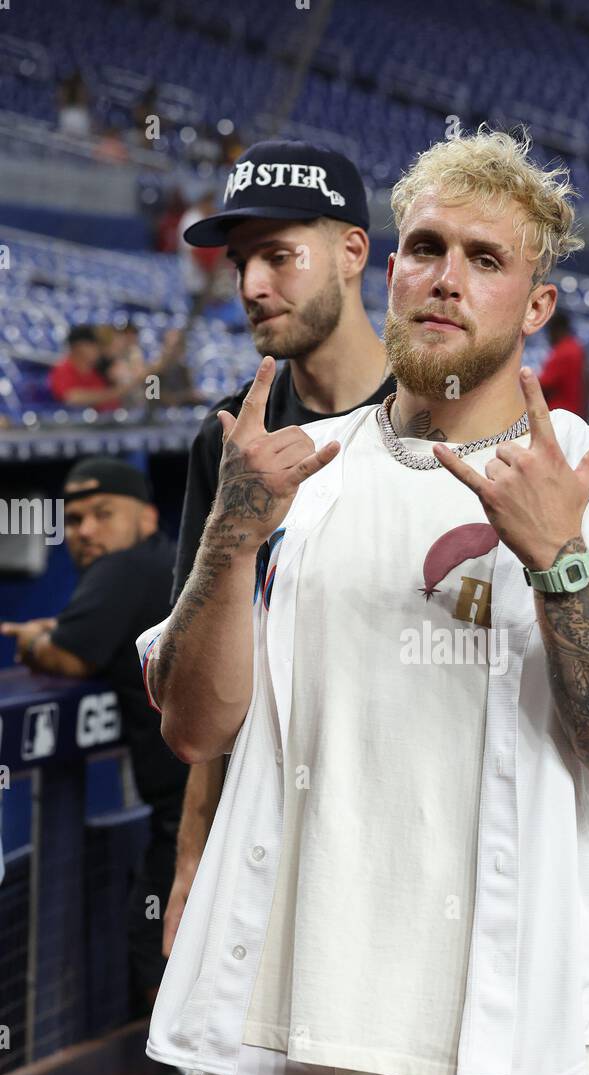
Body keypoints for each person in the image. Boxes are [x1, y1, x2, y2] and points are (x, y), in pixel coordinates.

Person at [137, 124, 589, 1075]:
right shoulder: (294, 470)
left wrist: (559, 562)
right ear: (384, 268)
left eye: (484, 258)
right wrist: (233, 530)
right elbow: (193, 727)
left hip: (483, 1050)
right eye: (425, 247)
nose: (446, 275)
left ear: (539, 300)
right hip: (279, 1024)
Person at [157, 139, 396, 991]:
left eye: (280, 255)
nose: (254, 284)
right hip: (270, 831)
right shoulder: (228, 441)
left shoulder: (446, 419)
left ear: (354, 251)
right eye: (242, 261)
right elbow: (205, 677)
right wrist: (193, 860)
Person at [0, 459, 194, 1075]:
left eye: (101, 513)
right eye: (74, 519)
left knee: (161, 932)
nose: (83, 530)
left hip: (196, 800)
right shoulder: (161, 561)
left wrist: (35, 640)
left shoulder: (126, 567)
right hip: (210, 791)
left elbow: (69, 656)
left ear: (144, 516)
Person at [49, 326, 123, 412]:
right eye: (93, 345)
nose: (99, 350)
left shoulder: (95, 371)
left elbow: (113, 403)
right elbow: (72, 398)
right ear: (79, 347)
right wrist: (118, 392)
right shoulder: (62, 369)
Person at [538, 307, 587, 417]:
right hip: (576, 412)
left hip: (559, 414)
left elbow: (544, 384)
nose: (548, 336)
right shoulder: (576, 347)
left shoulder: (562, 352)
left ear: (557, 329)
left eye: (549, 330)